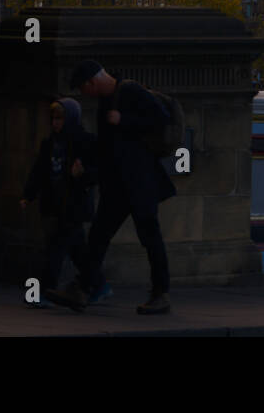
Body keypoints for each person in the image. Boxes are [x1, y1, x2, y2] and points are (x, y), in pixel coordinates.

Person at [47, 61, 177, 315]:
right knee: (98, 236)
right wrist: (87, 165)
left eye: (84, 89)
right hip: (117, 185)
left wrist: (124, 120)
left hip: (139, 182)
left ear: (91, 83)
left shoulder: (129, 91)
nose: (85, 95)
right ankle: (84, 289)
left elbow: (162, 118)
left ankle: (161, 294)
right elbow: (105, 146)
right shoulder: (105, 104)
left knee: (150, 238)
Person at [21, 98, 105, 306]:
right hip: (56, 203)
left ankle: (44, 290)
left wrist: (82, 173)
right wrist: (28, 194)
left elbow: (99, 170)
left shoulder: (85, 141)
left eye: (60, 118)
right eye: (53, 119)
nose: (56, 123)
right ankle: (99, 284)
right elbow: (40, 171)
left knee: (56, 247)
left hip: (74, 203)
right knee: (77, 250)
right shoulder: (49, 143)